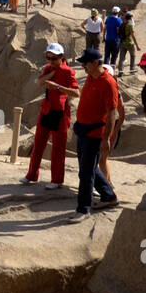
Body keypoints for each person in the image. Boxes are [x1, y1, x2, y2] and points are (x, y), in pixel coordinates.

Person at [71, 49, 120, 221]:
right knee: (88, 169)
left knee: (86, 173)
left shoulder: (108, 82)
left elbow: (112, 112)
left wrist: (106, 138)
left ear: (95, 63)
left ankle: (83, 209)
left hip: (95, 132)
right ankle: (109, 196)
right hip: (83, 129)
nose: (83, 66)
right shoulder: (92, 77)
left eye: (85, 63)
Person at [23, 44, 78, 190]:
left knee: (58, 148)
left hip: (61, 112)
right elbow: (39, 82)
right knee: (38, 143)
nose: (51, 61)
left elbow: (76, 92)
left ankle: (57, 179)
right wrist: (50, 75)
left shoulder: (68, 71)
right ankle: (31, 174)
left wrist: (58, 87)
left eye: (54, 58)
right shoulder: (48, 69)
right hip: (47, 109)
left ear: (61, 57)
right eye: (48, 57)